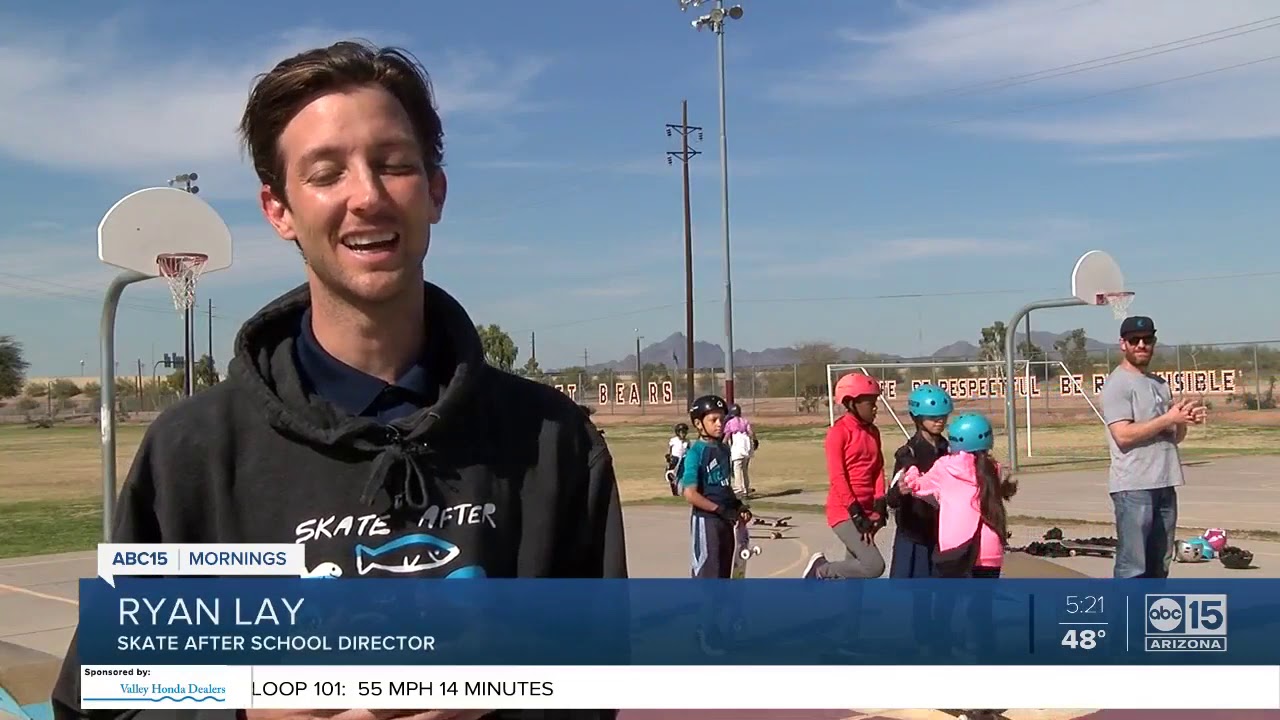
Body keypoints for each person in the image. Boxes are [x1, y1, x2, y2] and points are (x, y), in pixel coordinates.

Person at [52, 40, 626, 720]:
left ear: (435, 191)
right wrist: (243, 710)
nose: (368, 196)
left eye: (395, 165)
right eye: (326, 174)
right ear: (279, 210)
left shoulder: (550, 441)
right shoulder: (193, 453)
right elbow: (106, 705)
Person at [1101, 315, 1206, 579]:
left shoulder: (1159, 384)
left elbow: (1172, 436)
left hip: (1165, 482)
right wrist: (1168, 418)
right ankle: (1126, 619)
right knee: (1133, 566)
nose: (1141, 345)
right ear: (1122, 344)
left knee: (1160, 564)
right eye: (1134, 340)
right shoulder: (1118, 384)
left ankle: (1150, 617)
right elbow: (1122, 435)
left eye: (1147, 340)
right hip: (1134, 487)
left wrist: (1182, 420)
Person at [897, 413, 1017, 579]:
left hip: (957, 552)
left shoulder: (946, 466)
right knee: (982, 604)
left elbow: (915, 486)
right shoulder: (994, 469)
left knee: (949, 602)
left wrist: (910, 465)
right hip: (990, 553)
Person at [803, 373, 887, 580]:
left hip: (867, 510)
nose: (875, 408)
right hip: (844, 511)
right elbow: (837, 476)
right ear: (851, 403)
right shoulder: (838, 432)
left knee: (854, 569)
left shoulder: (873, 432)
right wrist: (855, 512)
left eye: (875, 402)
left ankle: (852, 611)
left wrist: (879, 503)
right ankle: (821, 570)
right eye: (870, 403)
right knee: (873, 566)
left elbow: (877, 468)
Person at [885, 384, 953, 578]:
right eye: (932, 417)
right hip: (915, 536)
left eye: (943, 416)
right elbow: (891, 499)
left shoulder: (948, 449)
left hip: (942, 533)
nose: (940, 421)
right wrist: (899, 491)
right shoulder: (908, 453)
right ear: (917, 418)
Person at [679, 394, 750, 579]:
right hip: (706, 522)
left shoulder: (724, 449)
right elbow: (690, 494)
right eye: (713, 420)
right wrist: (719, 509)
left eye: (722, 419)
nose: (720, 424)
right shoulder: (696, 452)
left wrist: (737, 505)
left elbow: (723, 485)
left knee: (725, 574)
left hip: (725, 521)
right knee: (707, 575)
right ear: (698, 424)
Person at [724, 403, 755, 497]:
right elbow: (751, 433)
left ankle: (739, 488)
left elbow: (727, 436)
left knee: (737, 468)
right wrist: (755, 441)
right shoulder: (745, 421)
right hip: (746, 447)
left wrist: (721, 445)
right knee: (744, 469)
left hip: (737, 447)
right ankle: (746, 488)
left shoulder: (730, 423)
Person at [665, 422, 689, 495]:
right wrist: (669, 456)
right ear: (678, 432)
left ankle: (682, 491)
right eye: (682, 432)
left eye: (685, 432)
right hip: (674, 460)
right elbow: (670, 449)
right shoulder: (674, 440)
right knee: (671, 475)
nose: (683, 434)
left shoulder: (687, 441)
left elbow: (688, 450)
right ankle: (675, 493)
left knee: (681, 476)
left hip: (683, 460)